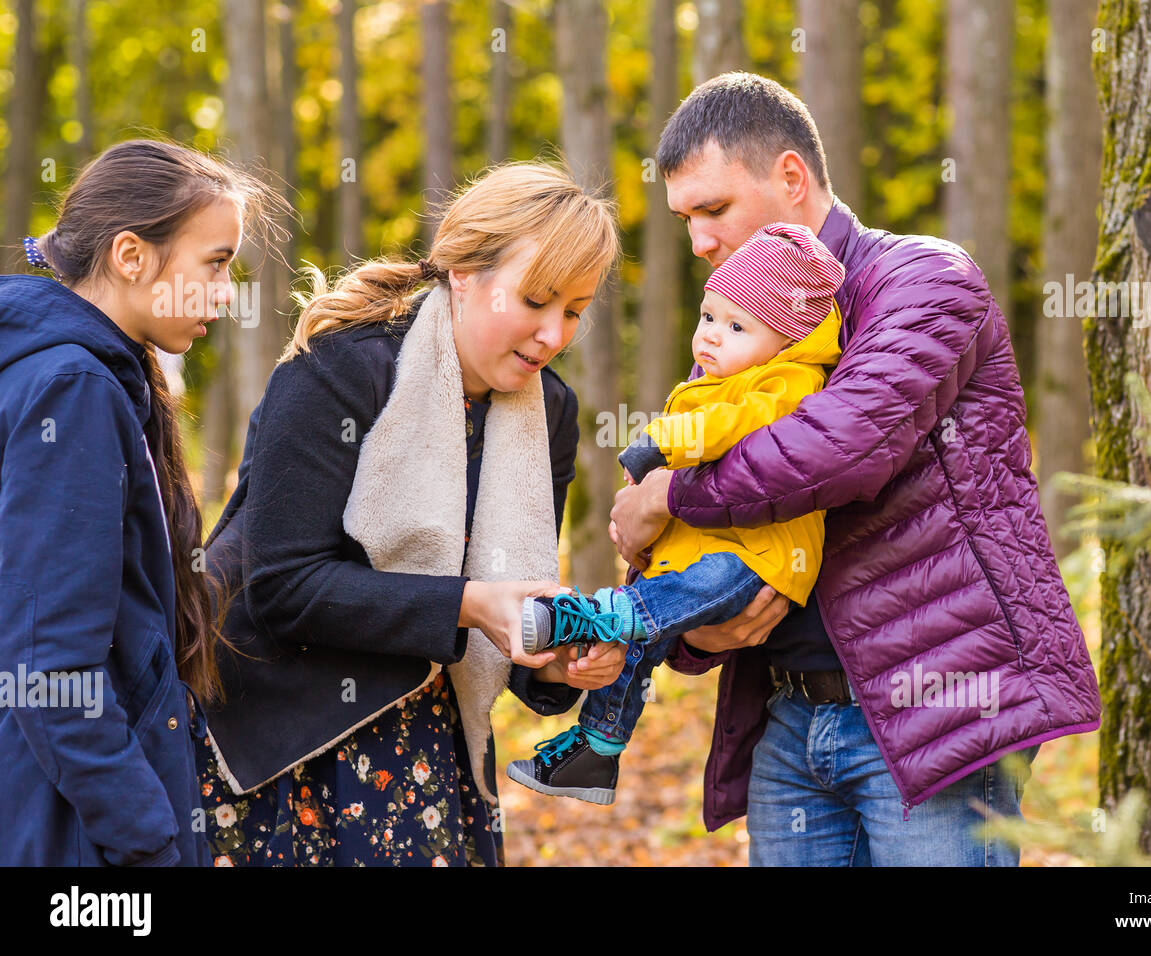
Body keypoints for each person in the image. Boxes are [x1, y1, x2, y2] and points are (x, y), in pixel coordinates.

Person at [608, 73, 1102, 866]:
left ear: (792, 178)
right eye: (684, 219)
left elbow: (838, 449)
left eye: (712, 209)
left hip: (937, 712)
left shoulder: (925, 280)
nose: (697, 240)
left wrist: (671, 492)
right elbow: (725, 542)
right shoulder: (751, 329)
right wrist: (696, 630)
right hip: (787, 724)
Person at [196, 162, 626, 866]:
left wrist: (560, 665)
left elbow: (505, 617)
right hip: (284, 742)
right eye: (535, 300)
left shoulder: (551, 412)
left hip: (436, 750)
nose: (553, 334)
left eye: (574, 310)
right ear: (462, 273)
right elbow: (281, 587)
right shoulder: (338, 367)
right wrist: (469, 604)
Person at [0, 138, 285, 865]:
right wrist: (149, 838)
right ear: (132, 256)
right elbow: (52, 671)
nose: (225, 294)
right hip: (73, 837)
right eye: (215, 264)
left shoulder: (72, 370)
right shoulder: (75, 387)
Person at [506, 222, 843, 805]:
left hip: (759, 558)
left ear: (785, 340)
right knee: (638, 644)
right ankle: (597, 748)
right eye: (709, 316)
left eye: (737, 325)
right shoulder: (717, 381)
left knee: (663, 603)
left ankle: (601, 615)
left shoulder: (790, 382)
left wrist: (662, 442)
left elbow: (731, 428)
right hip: (704, 554)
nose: (712, 336)